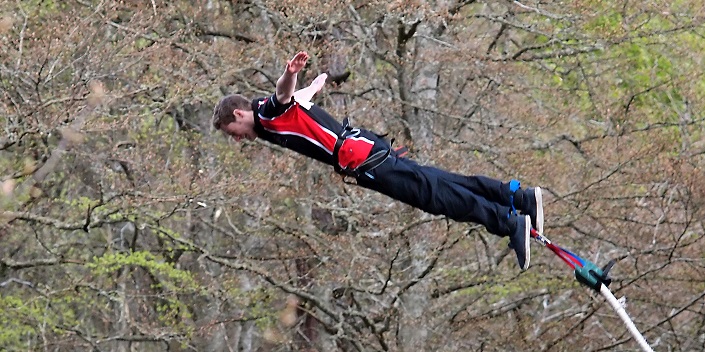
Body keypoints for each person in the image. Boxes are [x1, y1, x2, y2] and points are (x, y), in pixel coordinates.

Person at [212, 51, 544, 270]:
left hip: (363, 159)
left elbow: (284, 93)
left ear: (239, 114)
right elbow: (298, 97)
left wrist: (289, 73)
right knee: (441, 182)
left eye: (233, 132)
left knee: (435, 197)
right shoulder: (271, 117)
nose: (238, 139)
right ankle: (516, 197)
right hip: (366, 148)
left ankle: (508, 222)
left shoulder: (266, 115)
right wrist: (315, 84)